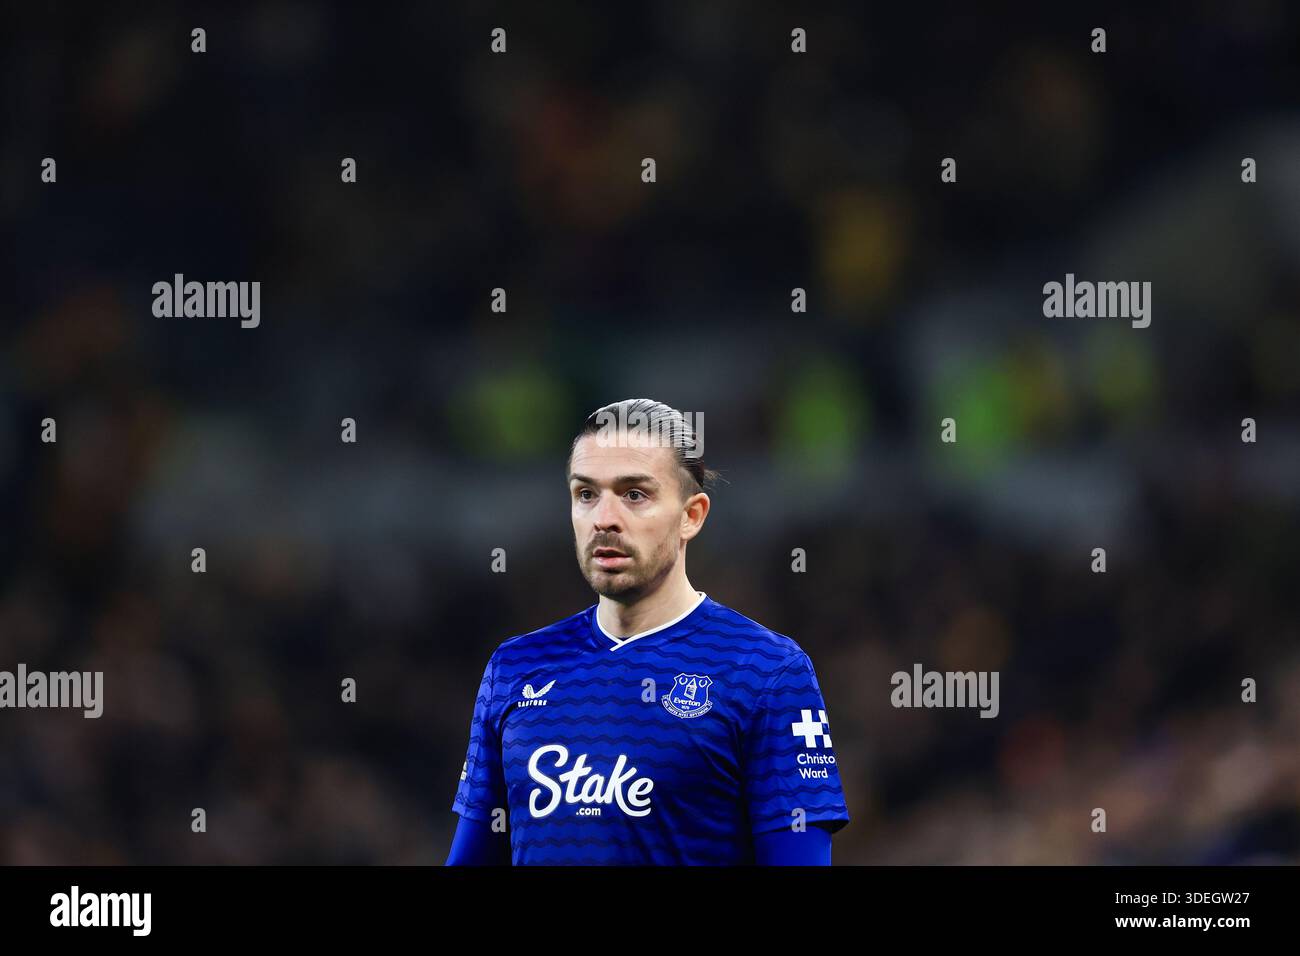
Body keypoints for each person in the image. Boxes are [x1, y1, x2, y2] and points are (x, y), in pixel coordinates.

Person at [446, 398, 849, 865]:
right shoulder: (515, 667)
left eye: (634, 494)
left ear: (691, 515)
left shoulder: (765, 672)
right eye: (586, 494)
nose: (605, 518)